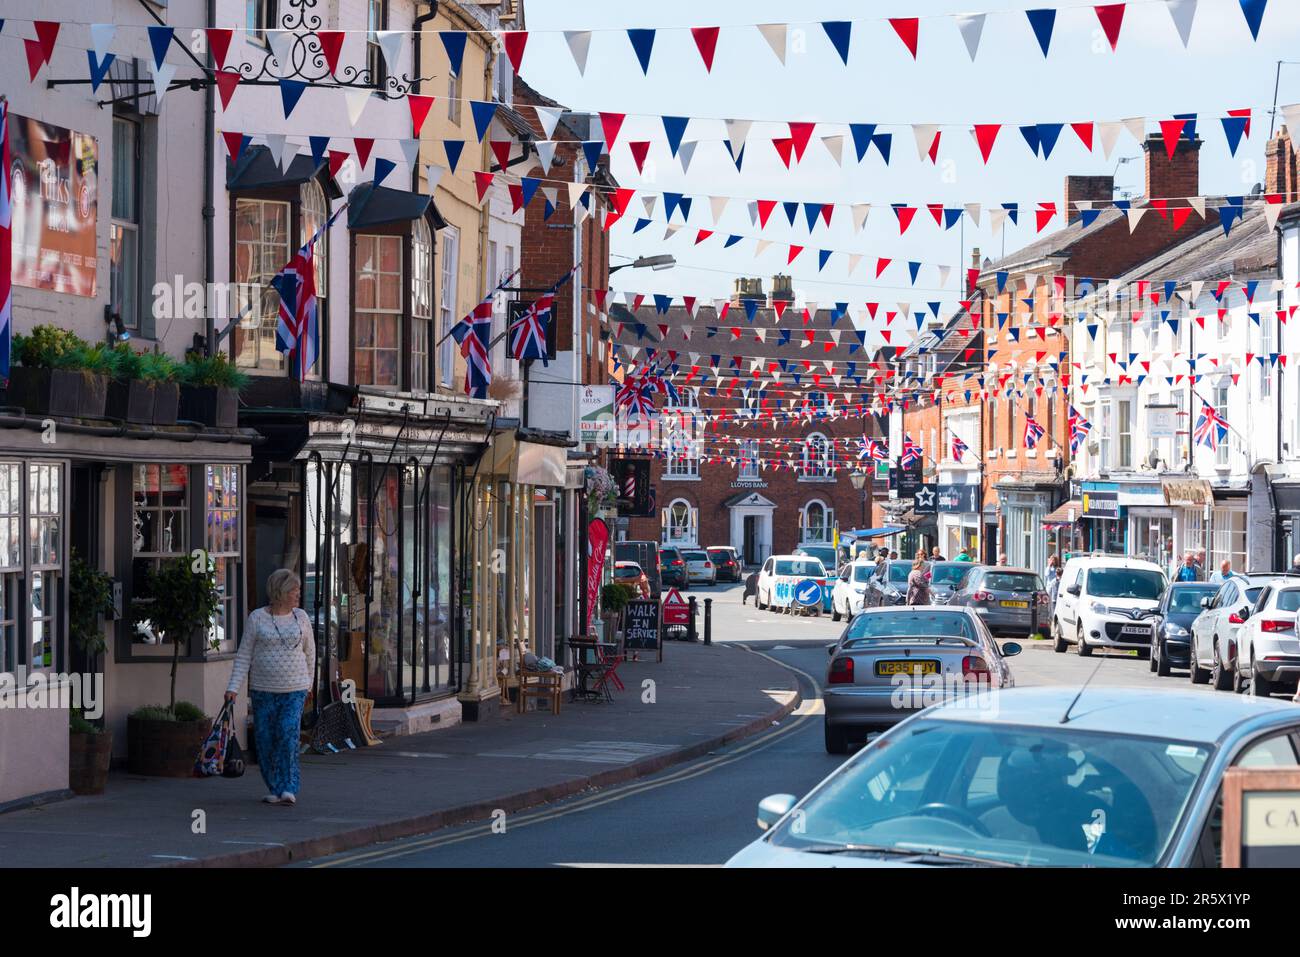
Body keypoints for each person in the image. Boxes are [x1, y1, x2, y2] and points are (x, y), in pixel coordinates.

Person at [226, 569, 316, 807]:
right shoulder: (257, 618)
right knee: (265, 739)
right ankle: (274, 787)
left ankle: (288, 787)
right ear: (280, 592)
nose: (298, 594)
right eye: (293, 590)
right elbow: (244, 655)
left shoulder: (302, 618)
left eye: (297, 590)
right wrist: (233, 688)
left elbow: (310, 653)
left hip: (295, 688)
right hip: (263, 689)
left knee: (288, 735)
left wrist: (310, 684)